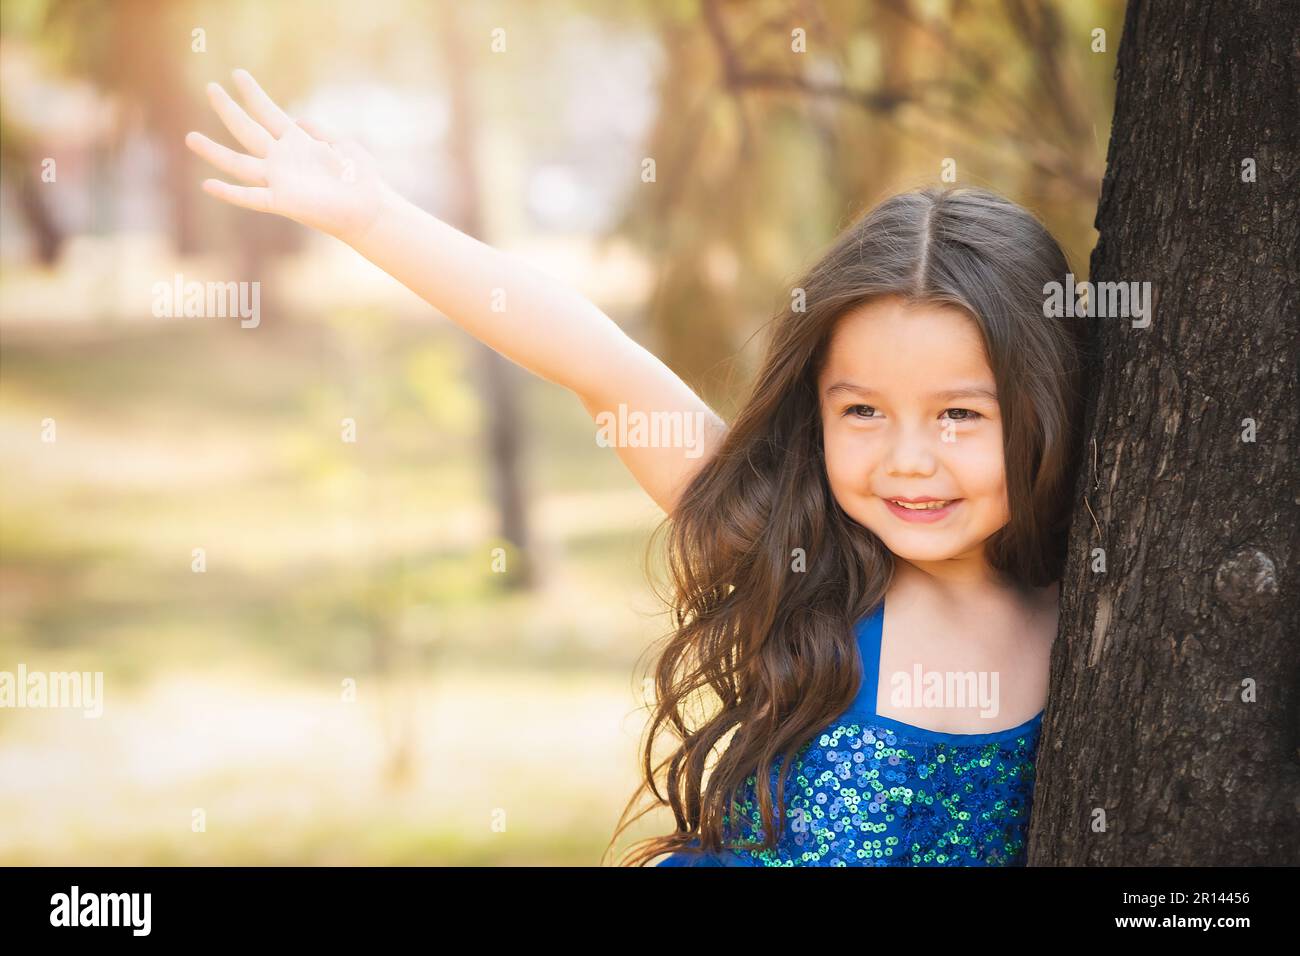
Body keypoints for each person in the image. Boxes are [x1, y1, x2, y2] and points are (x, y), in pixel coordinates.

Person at [187, 69, 1087, 866]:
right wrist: (373, 216)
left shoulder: (1086, 617)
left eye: (960, 415)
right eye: (862, 411)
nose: (907, 461)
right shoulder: (791, 551)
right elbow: (594, 358)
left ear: (1044, 403)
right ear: (815, 411)